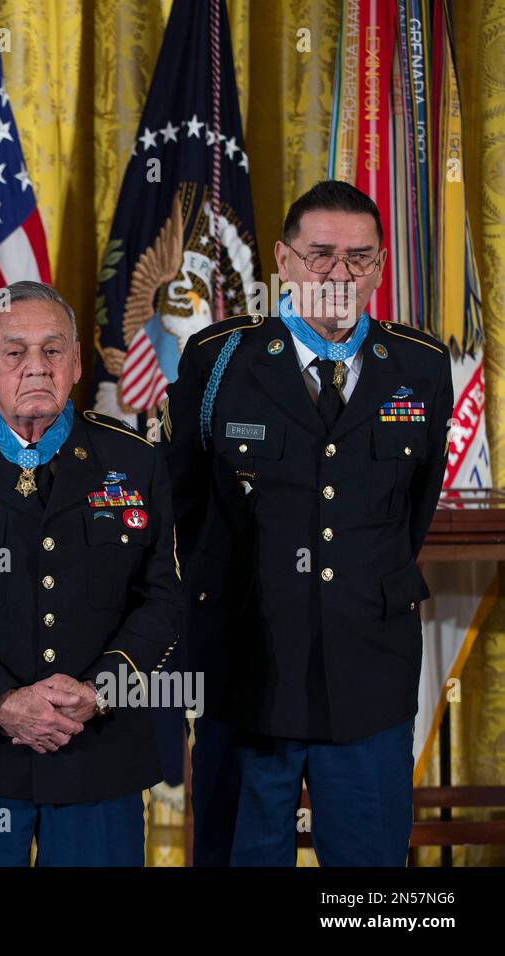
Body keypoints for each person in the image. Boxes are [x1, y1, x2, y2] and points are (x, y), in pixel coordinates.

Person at [164, 180, 453, 866]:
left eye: (359, 258)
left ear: (381, 266)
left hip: (368, 678)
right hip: (246, 672)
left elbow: (410, 512)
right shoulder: (218, 359)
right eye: (320, 254)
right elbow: (185, 507)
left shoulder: (421, 365)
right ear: (284, 261)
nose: (339, 274)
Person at [0, 280, 182, 866]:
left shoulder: (135, 460)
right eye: (14, 351)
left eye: (53, 350)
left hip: (98, 750)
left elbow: (165, 598)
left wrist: (103, 689)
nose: (36, 367)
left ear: (76, 362)